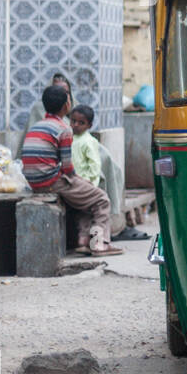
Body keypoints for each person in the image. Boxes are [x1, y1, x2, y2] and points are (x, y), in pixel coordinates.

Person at [21, 85, 122, 256]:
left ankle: (83, 241)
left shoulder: (36, 126)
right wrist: (84, 182)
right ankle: (100, 244)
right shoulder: (64, 129)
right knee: (101, 198)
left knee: (85, 196)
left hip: (34, 182)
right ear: (66, 106)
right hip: (51, 182)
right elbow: (68, 169)